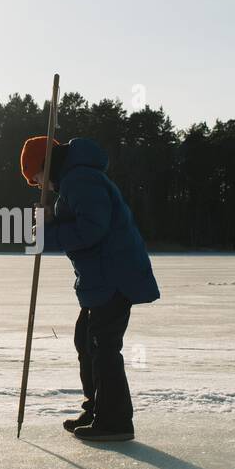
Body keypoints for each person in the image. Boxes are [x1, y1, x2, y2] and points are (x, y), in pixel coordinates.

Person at [23, 135, 159, 442]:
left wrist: (47, 235)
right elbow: (76, 225)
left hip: (114, 276)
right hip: (100, 279)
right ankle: (97, 409)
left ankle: (115, 420)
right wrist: (46, 225)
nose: (39, 185)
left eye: (37, 178)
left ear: (45, 164)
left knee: (103, 347)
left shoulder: (80, 179)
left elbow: (92, 229)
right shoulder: (73, 181)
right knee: (86, 341)